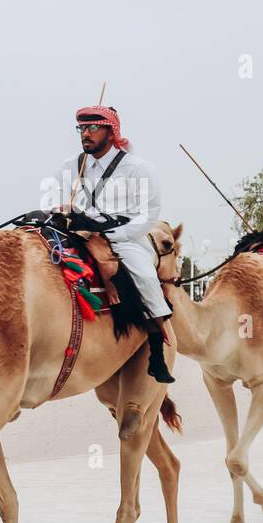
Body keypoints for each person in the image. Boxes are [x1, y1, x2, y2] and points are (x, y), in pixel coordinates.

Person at [51, 105, 174, 383]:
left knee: (142, 273)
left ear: (112, 131)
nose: (86, 134)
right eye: (82, 128)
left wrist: (115, 236)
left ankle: (156, 348)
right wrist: (61, 210)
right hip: (78, 233)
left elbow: (148, 214)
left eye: (93, 127)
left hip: (124, 236)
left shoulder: (139, 168)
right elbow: (58, 199)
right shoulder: (70, 167)